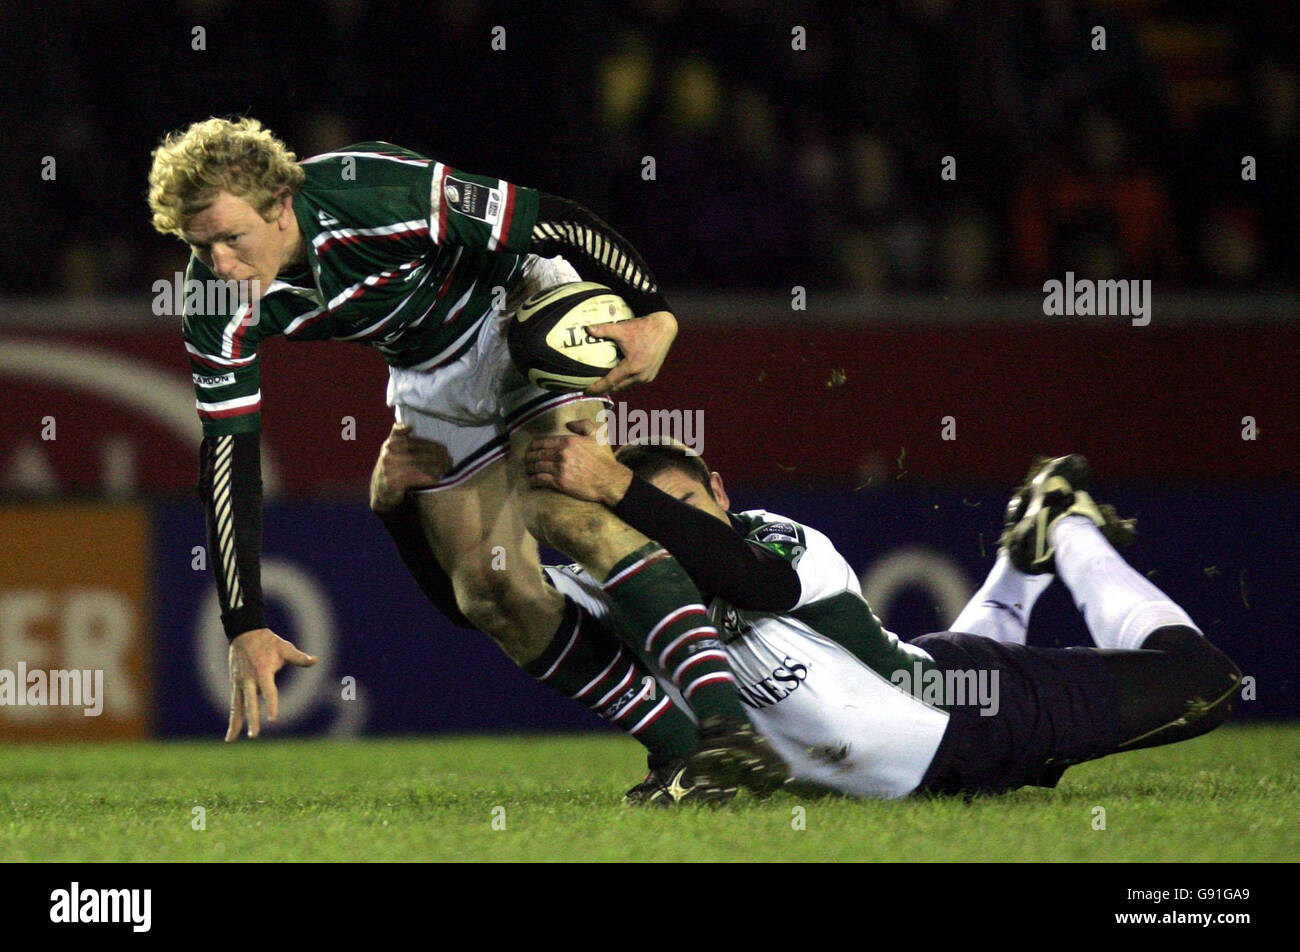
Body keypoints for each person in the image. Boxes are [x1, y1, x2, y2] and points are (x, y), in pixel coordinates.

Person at [147, 117, 785, 794]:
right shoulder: (215, 299)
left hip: (521, 314)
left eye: (230, 238)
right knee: (488, 589)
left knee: (560, 508)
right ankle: (688, 755)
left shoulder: (378, 191)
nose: (219, 264)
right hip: (430, 377)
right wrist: (245, 621)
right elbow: (228, 461)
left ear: (279, 206)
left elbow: (557, 222)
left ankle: (729, 728)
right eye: (200, 245)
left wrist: (655, 312)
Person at [374, 423, 1242, 803]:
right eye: (642, 520)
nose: (665, 532)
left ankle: (1075, 535)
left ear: (720, 491)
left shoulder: (775, 537)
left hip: (972, 712)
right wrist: (400, 518)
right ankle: (1025, 551)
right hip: (909, 693)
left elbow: (745, 582)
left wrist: (617, 488)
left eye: (681, 503)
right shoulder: (624, 587)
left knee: (1207, 684)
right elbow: (489, 609)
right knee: (938, 652)